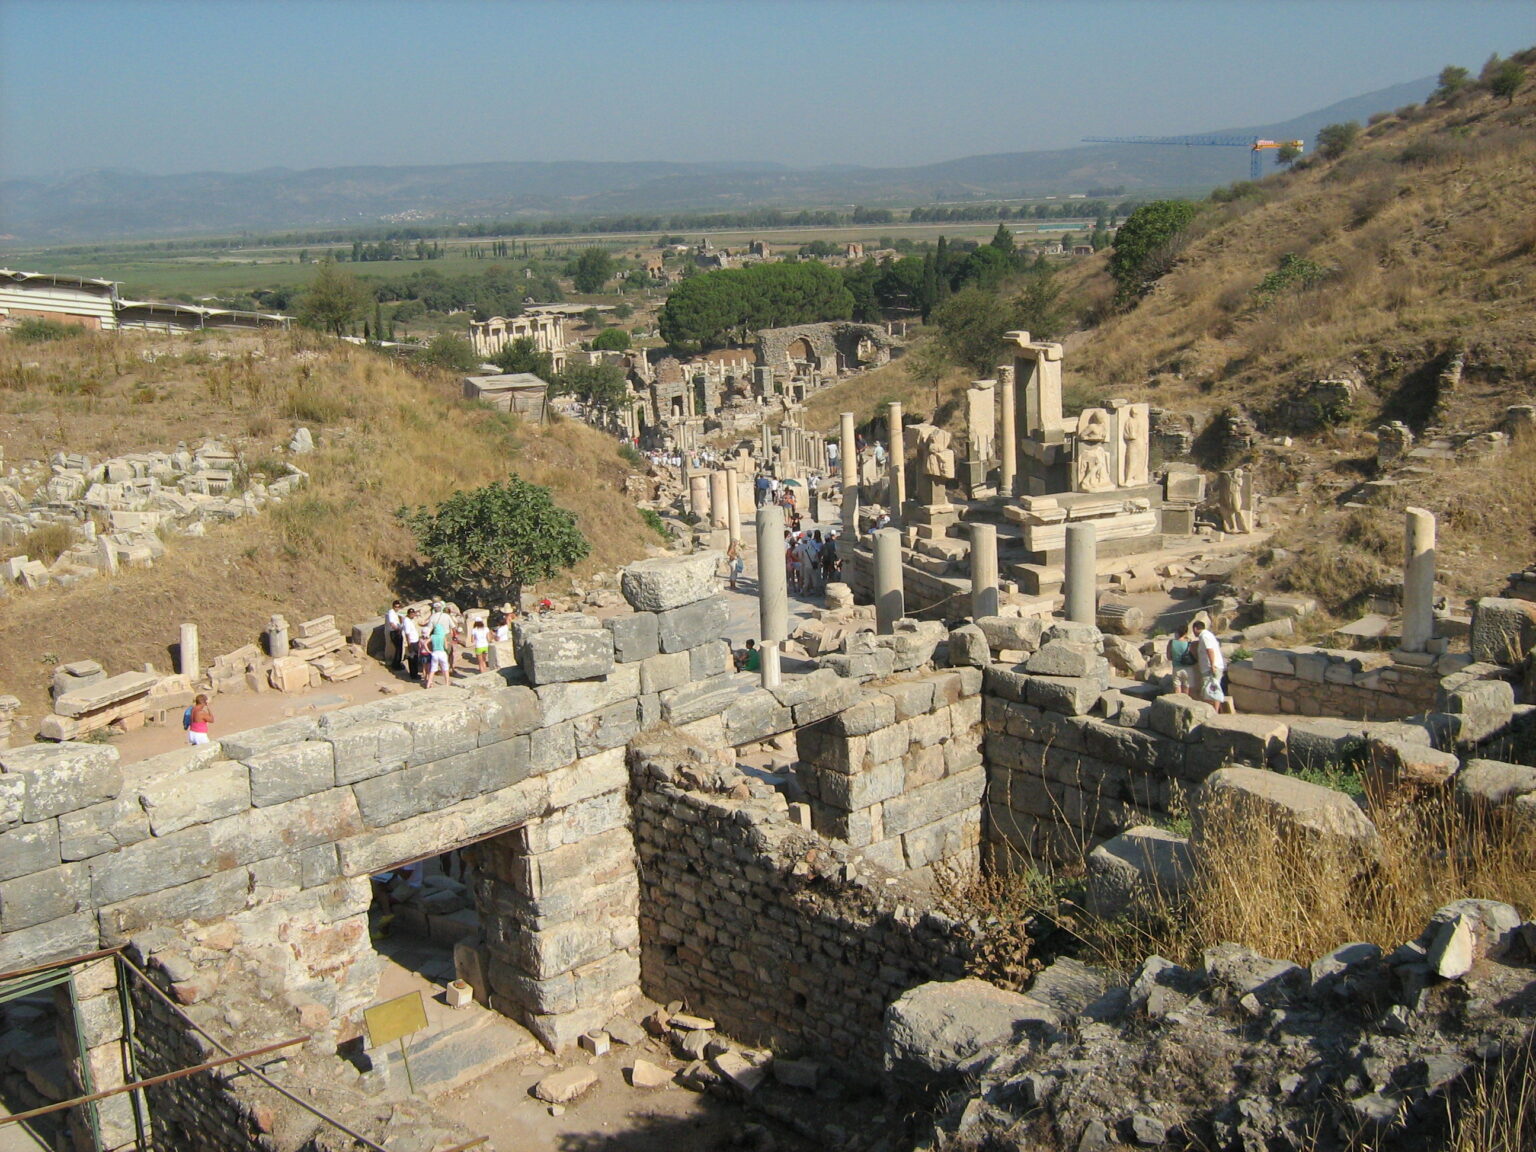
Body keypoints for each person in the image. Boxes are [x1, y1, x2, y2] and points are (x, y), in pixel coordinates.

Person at [1191, 620, 1234, 713]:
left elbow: (1210, 650)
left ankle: (1212, 711)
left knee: (1210, 691)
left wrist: (1212, 665)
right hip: (1211, 667)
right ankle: (1216, 710)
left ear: (1195, 628)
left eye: (1193, 630)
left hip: (1210, 668)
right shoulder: (1208, 635)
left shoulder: (1205, 636)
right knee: (1213, 690)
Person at [1167, 623, 1198, 695]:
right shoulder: (1189, 643)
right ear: (1186, 633)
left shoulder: (1171, 642)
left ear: (1177, 632)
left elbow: (1169, 657)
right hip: (1188, 668)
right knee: (1187, 690)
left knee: (1177, 689)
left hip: (1176, 668)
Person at [401, 608, 422, 680]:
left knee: (415, 658)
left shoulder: (410, 620)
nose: (413, 615)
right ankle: (413, 674)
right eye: (412, 613)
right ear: (409, 614)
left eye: (413, 613)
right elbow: (407, 633)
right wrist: (409, 643)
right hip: (412, 642)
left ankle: (414, 673)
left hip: (414, 641)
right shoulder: (407, 621)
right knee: (413, 658)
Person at [385, 600, 404, 669]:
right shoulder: (391, 612)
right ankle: (396, 665)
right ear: (393, 606)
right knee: (398, 649)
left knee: (399, 649)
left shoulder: (396, 613)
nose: (397, 608)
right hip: (395, 632)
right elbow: (392, 623)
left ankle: (397, 663)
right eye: (396, 607)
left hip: (397, 631)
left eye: (398, 607)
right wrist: (398, 629)